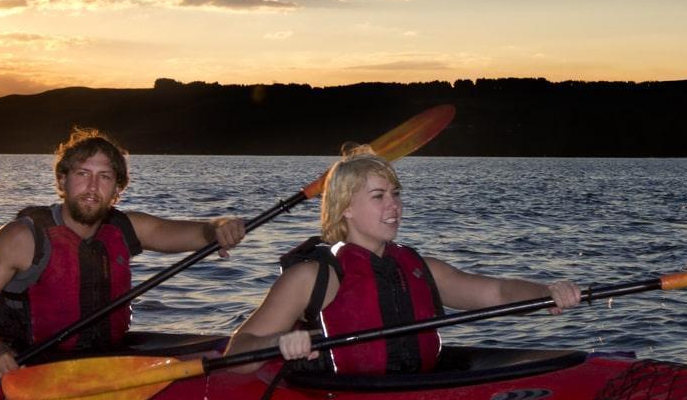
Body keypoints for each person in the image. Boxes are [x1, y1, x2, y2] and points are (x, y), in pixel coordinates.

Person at [226, 147, 581, 373]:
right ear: (346, 208)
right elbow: (236, 352)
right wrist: (278, 343)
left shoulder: (421, 268)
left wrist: (545, 293)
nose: (394, 206)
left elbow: (498, 293)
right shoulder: (312, 277)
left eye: (395, 194)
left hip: (414, 394)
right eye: (379, 196)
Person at [0, 127, 246, 382]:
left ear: (117, 189)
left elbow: (197, 233)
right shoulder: (22, 238)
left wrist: (218, 228)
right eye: (82, 174)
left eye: (104, 177)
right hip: (28, 364)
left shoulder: (126, 228)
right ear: (62, 181)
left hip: (102, 361)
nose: (92, 187)